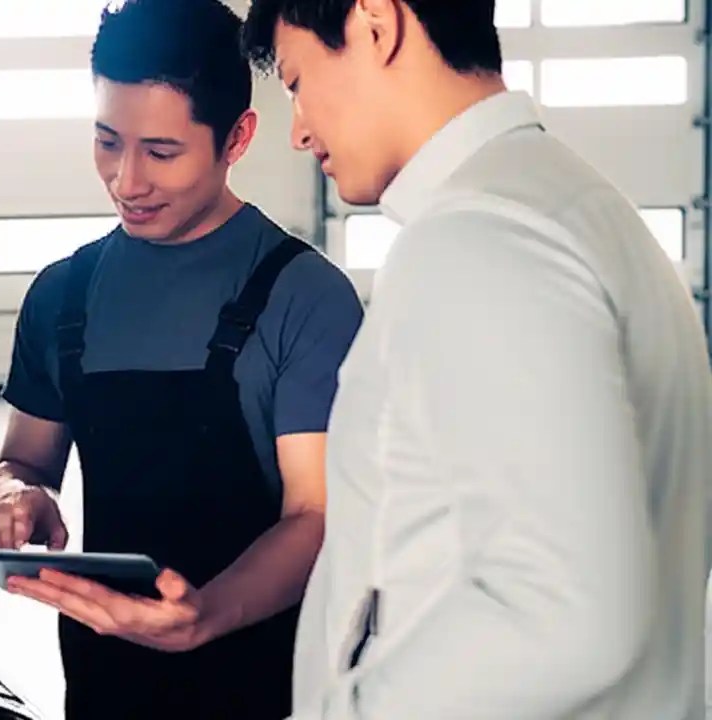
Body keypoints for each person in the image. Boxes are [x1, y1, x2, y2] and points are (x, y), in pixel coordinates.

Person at [239, 1, 712, 718]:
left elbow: (564, 611)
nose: (300, 130)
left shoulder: (481, 238)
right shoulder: (571, 207)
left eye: (300, 81)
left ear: (374, 23)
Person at [0, 0, 363, 717]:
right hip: (102, 676)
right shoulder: (63, 293)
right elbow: (25, 462)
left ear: (237, 138)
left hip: (267, 678)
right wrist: (19, 498)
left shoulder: (306, 296)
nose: (127, 180)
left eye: (160, 152)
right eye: (106, 142)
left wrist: (205, 615)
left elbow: (314, 514)